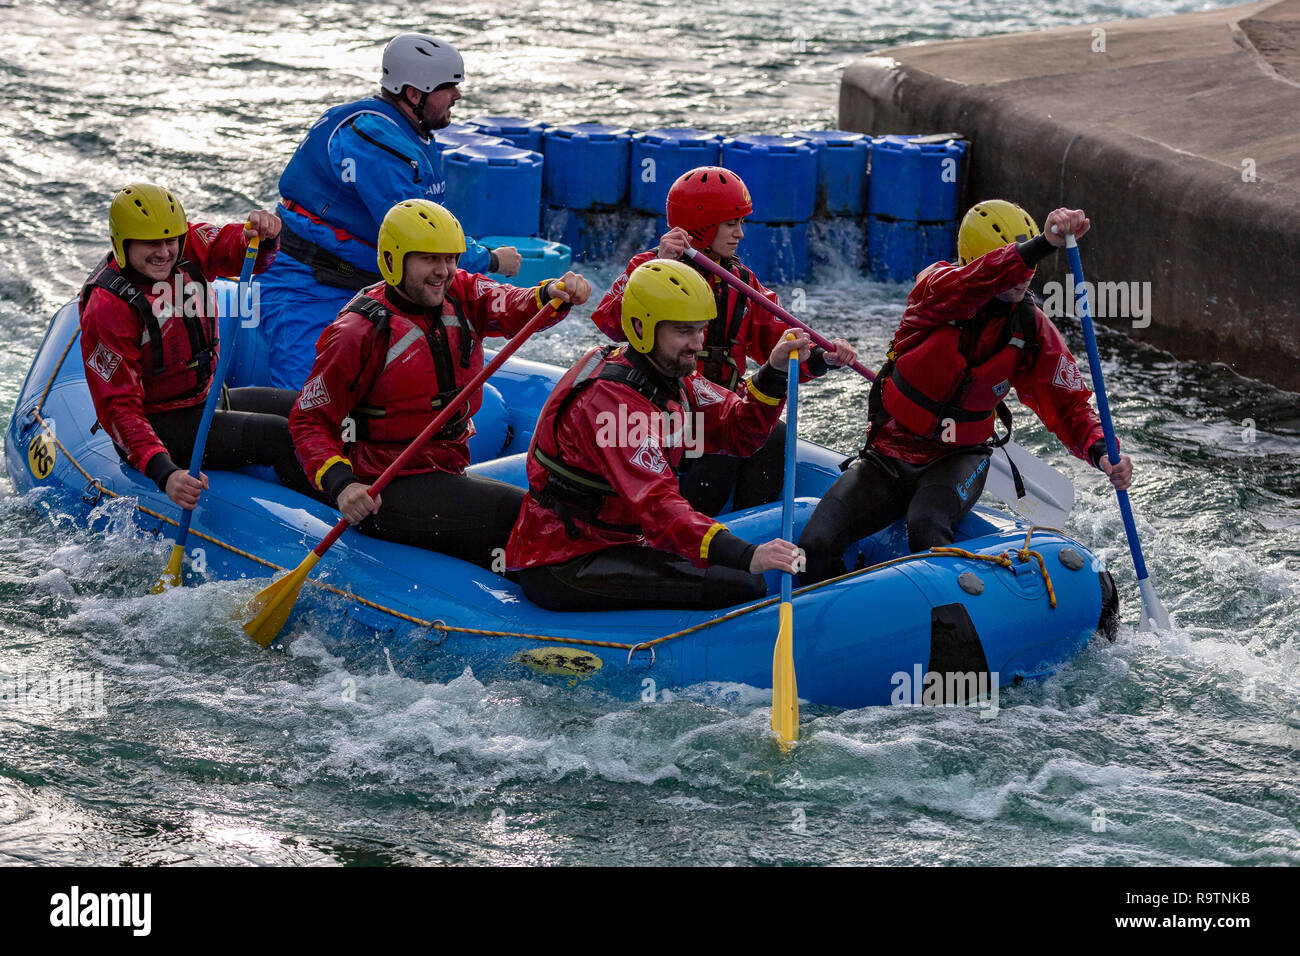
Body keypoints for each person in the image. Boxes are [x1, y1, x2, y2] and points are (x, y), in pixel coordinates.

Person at [798, 202, 1134, 584]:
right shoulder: (935, 291)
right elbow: (976, 281)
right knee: (815, 544)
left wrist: (1102, 451)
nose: (1024, 278)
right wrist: (1043, 243)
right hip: (888, 455)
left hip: (958, 457)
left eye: (1029, 268)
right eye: (1016, 265)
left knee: (926, 527)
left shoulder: (1031, 328)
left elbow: (1069, 405)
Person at [289, 199, 590, 568]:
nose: (443, 271)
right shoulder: (356, 332)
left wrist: (549, 294)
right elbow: (308, 420)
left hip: (445, 465)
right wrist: (343, 484)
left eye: (450, 259)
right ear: (393, 260)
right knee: (524, 516)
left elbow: (511, 302)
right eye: (429, 259)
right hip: (384, 484)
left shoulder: (459, 291)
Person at [506, 259, 809, 612]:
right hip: (567, 557)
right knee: (743, 584)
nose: (697, 344)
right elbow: (659, 509)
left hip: (620, 539)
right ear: (640, 327)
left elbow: (741, 433)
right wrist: (748, 555)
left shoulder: (673, 376)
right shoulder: (612, 406)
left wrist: (772, 372)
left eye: (701, 329)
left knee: (734, 570)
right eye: (683, 331)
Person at [258, 32, 523, 391]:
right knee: (306, 402)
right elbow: (421, 230)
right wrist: (490, 260)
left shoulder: (404, 131)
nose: (458, 96)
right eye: (449, 87)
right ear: (414, 94)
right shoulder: (376, 142)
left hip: (361, 287)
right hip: (310, 287)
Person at [590, 166, 856, 516]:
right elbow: (610, 322)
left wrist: (822, 358)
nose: (740, 234)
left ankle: (753, 530)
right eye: (731, 224)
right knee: (714, 453)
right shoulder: (649, 267)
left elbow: (778, 342)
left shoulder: (742, 282)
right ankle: (698, 540)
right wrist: (660, 262)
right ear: (703, 222)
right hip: (666, 410)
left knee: (773, 437)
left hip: (721, 408)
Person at [79, 182, 317, 510]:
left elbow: (241, 248)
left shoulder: (190, 244)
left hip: (206, 401)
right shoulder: (107, 307)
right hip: (161, 427)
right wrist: (165, 473)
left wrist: (263, 233)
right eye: (151, 243)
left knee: (310, 410)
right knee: (278, 437)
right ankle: (342, 518)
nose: (164, 252)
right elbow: (118, 407)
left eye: (170, 240)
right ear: (122, 243)